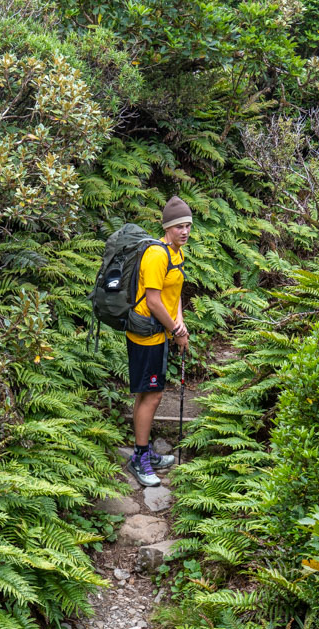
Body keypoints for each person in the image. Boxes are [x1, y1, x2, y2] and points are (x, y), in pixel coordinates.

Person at [124, 196, 191, 488]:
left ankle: (144, 450)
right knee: (151, 395)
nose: (185, 231)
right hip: (146, 334)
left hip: (159, 331)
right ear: (167, 227)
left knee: (146, 394)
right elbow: (153, 301)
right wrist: (177, 332)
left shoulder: (176, 253)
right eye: (179, 226)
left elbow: (172, 294)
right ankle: (140, 458)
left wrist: (180, 322)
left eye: (188, 225)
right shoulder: (156, 256)